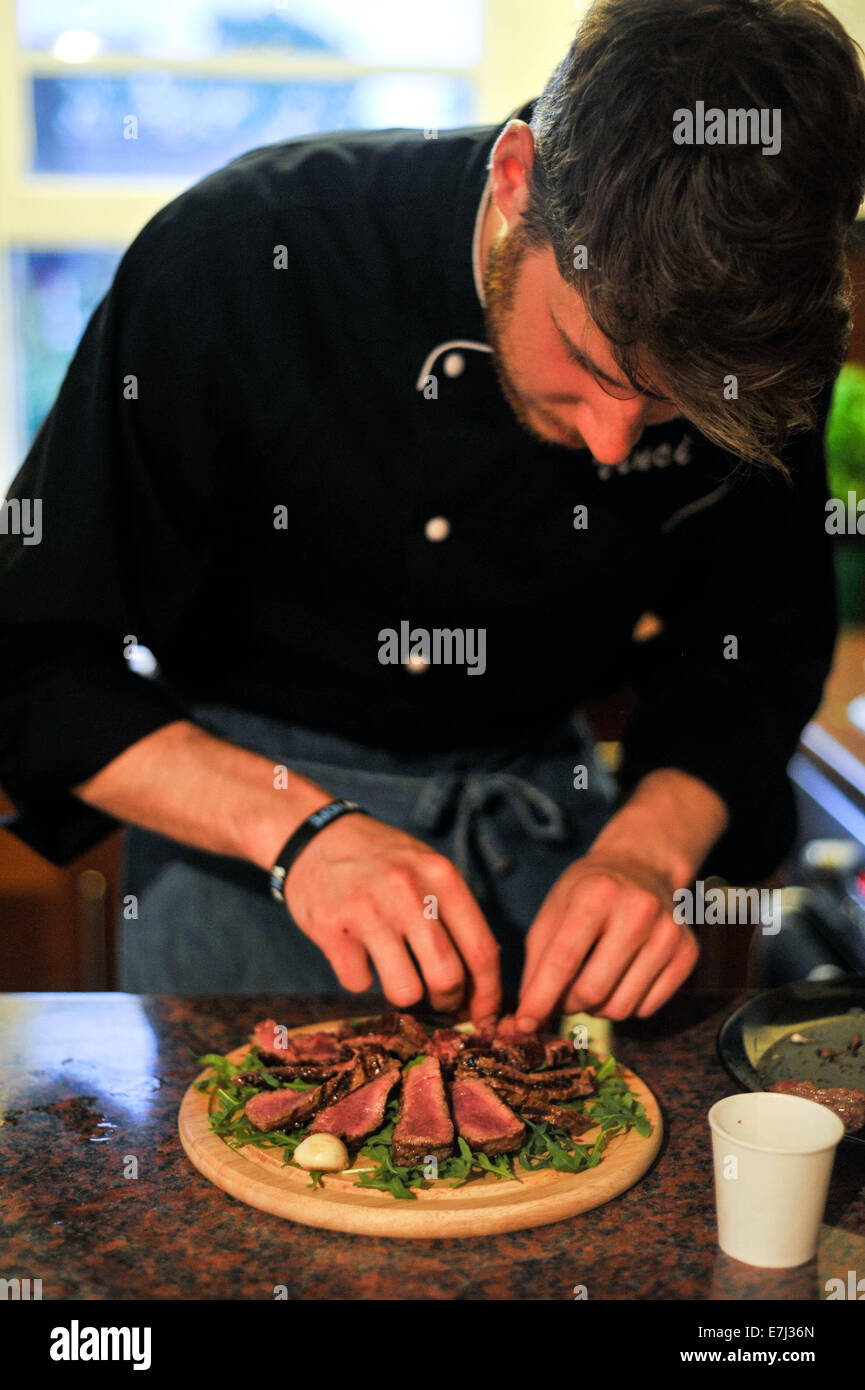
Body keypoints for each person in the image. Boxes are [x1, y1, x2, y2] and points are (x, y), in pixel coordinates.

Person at [1, 0, 863, 1027]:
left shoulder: (762, 340)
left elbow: (755, 645)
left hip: (551, 827)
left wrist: (646, 848)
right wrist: (302, 827)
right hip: (242, 839)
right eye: (585, 365)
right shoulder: (235, 263)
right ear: (515, 181)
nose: (610, 447)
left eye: (671, 405)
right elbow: (29, 660)